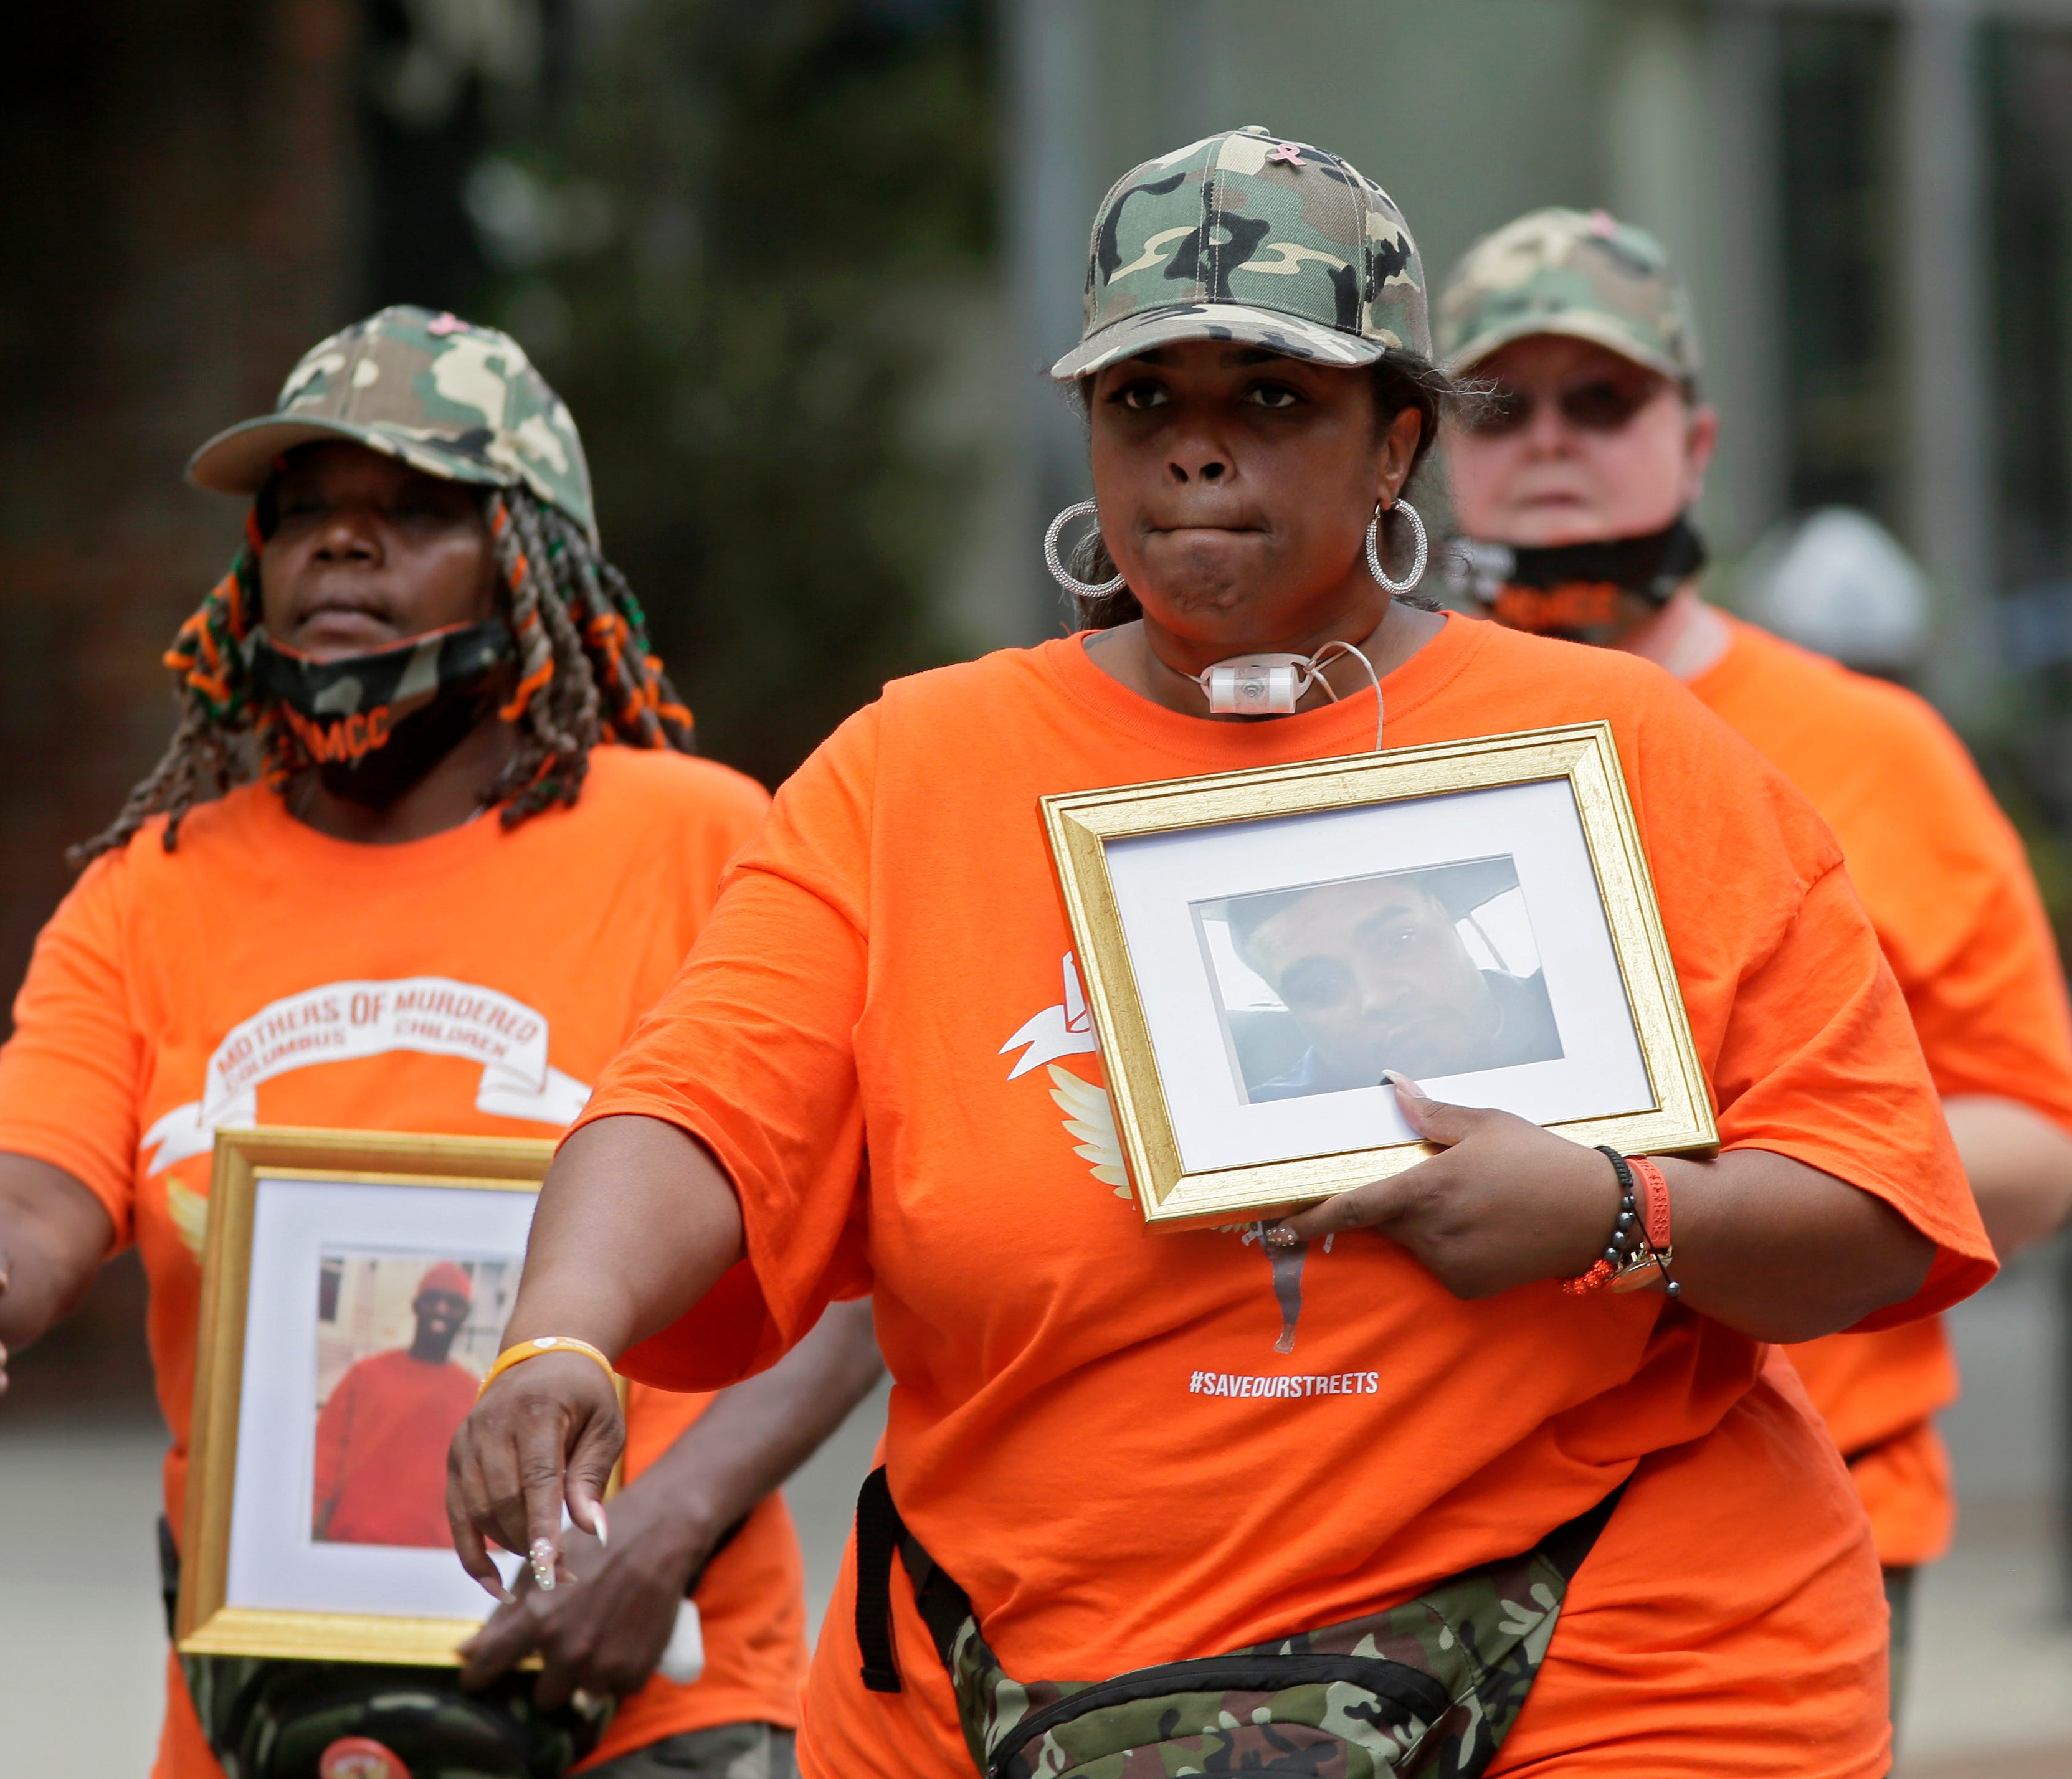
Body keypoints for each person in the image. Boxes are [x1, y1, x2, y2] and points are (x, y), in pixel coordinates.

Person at [447, 130, 1993, 1777]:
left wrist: (1614, 1215)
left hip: (1613, 1654)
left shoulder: (1627, 750)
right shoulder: (912, 775)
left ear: (1398, 442)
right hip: (1022, 1669)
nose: (1197, 451)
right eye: (1143, 401)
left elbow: (1875, 1217)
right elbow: (701, 1106)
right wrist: (562, 1330)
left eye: (1271, 398)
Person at [0, 307, 883, 1779]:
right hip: (266, 1722)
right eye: (305, 514)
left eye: (415, 509)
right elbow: (28, 1192)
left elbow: (879, 1245)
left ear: (529, 559)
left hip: (653, 1706)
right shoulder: (150, 890)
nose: (343, 544)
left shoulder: (706, 845)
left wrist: (668, 1524)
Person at [1436, 206, 2072, 1714]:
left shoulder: (1871, 749)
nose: (1551, 440)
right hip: (1437, 1509)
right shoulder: (1370, 743)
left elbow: (2038, 1142)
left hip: (1794, 1499)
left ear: (1697, 441)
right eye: (1501, 404)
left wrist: (1697, 1187)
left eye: (1604, 400)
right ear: (1431, 445)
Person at [1227, 863, 1561, 1098]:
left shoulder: (1580, 1013)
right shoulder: (1265, 1128)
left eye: (1399, 940)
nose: (1379, 997)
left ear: (1443, 917)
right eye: (1319, 987)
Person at [314, 1261, 480, 1547]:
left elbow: (481, 1482)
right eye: (433, 1299)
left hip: (436, 1554)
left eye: (453, 1304)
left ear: (465, 1315)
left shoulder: (473, 1393)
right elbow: (323, 1458)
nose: (441, 1310)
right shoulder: (366, 1375)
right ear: (416, 1306)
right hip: (356, 1543)